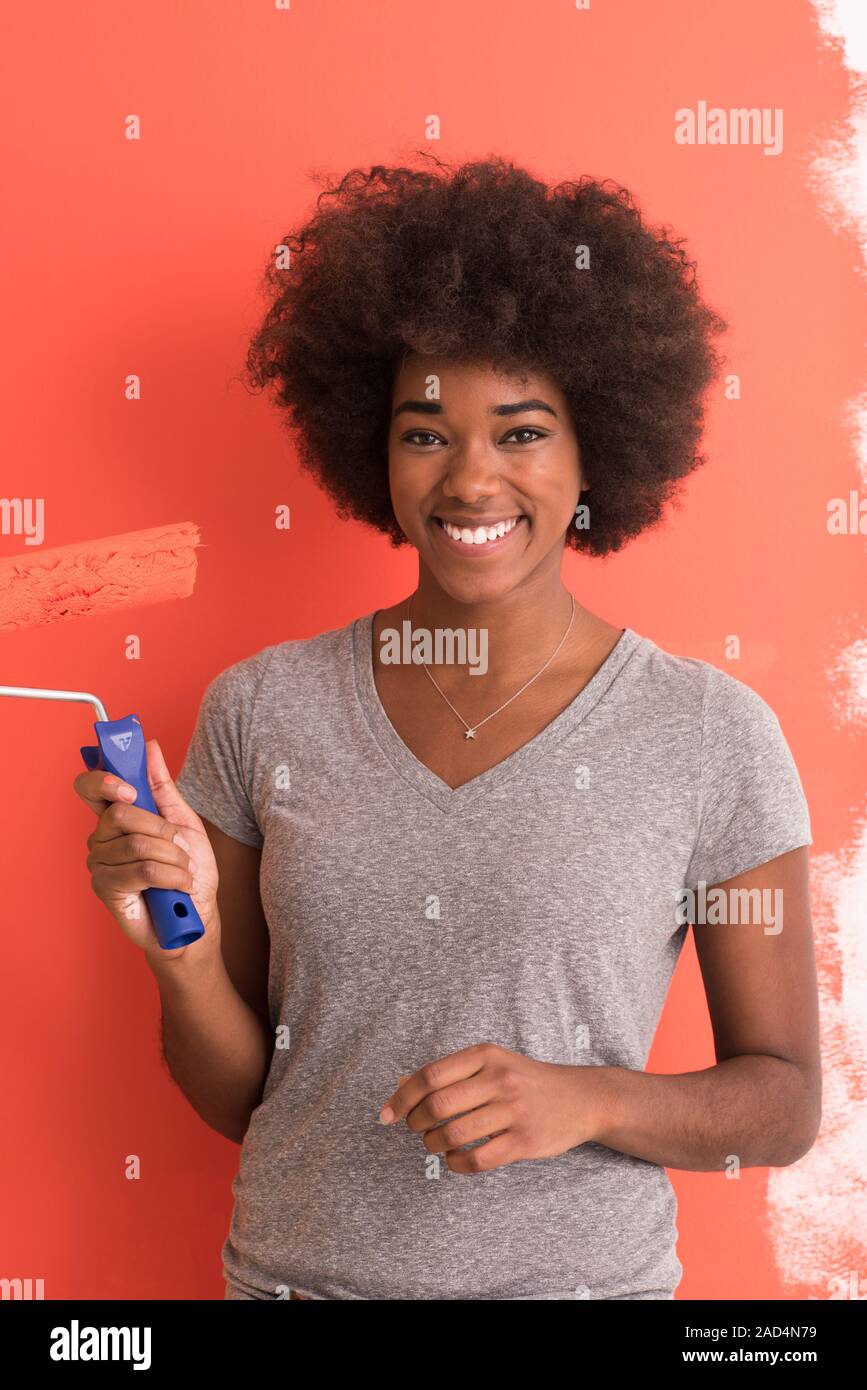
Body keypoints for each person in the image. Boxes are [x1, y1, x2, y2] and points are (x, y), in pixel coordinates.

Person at [75, 156, 820, 1300]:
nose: (471, 478)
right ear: (373, 449)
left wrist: (591, 1098)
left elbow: (779, 1105)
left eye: (521, 433)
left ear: (593, 458)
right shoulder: (263, 707)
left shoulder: (710, 735)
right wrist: (178, 965)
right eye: (426, 433)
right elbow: (241, 1101)